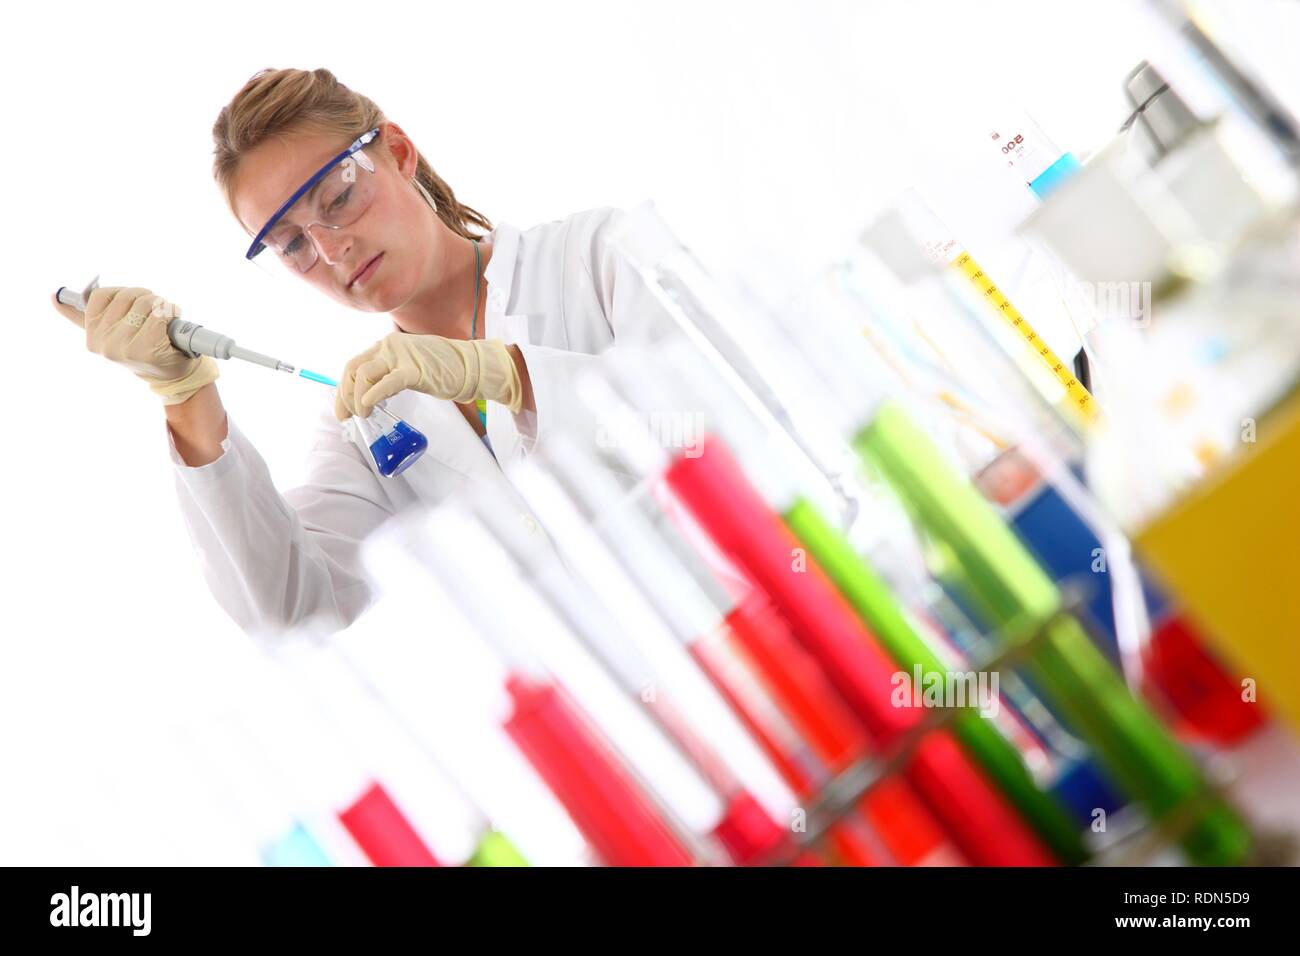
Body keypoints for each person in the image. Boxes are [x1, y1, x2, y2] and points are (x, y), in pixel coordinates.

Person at [50, 67, 670, 639]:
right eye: (291, 244)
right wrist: (187, 399)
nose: (331, 250)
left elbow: (711, 418)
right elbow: (293, 609)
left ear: (398, 153)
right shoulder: (369, 418)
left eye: (338, 198)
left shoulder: (598, 256)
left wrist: (511, 374)